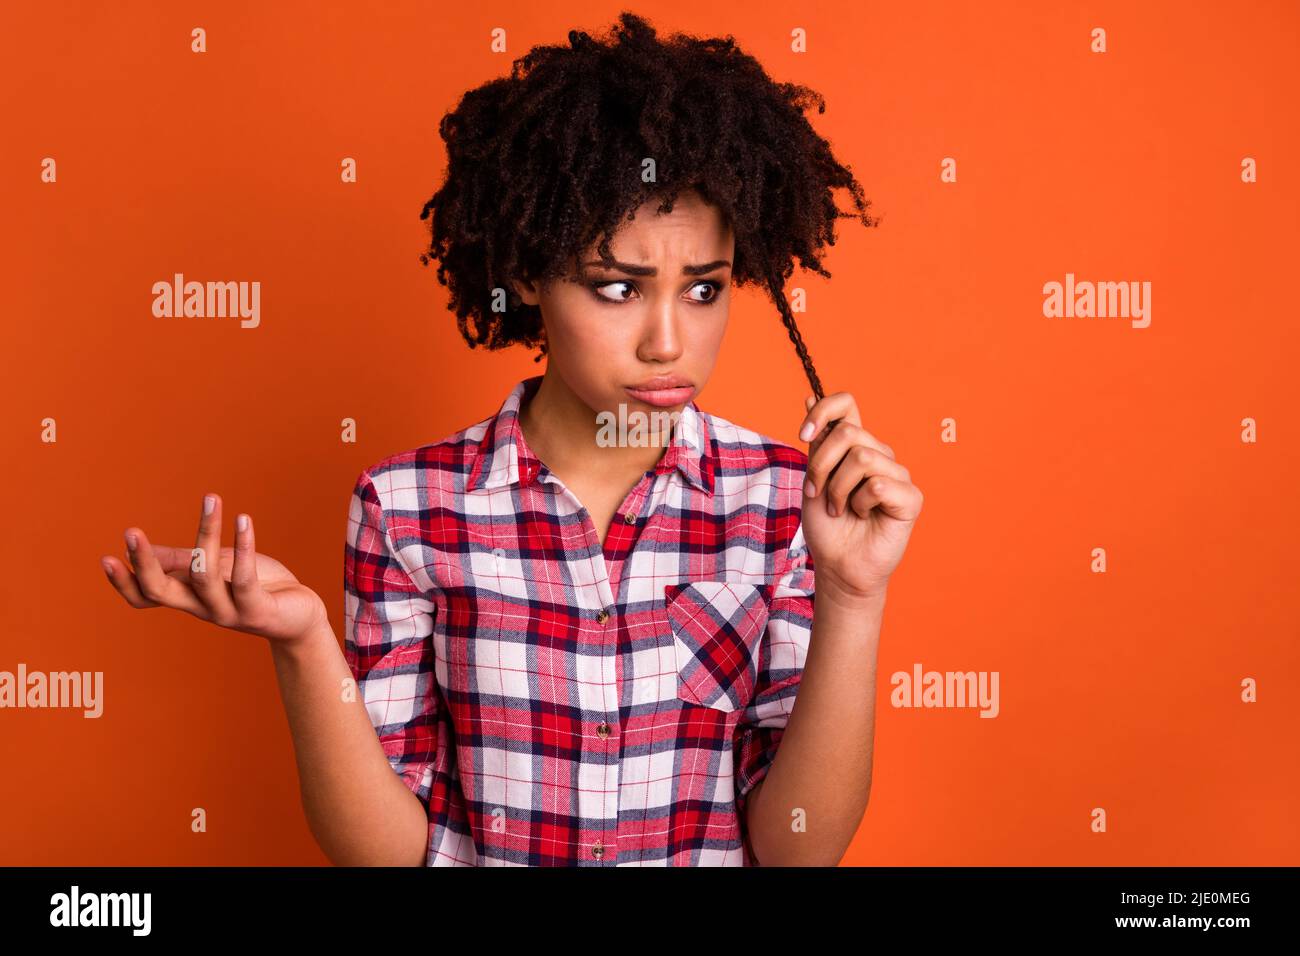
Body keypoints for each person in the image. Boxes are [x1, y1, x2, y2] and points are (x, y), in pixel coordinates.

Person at [100, 11, 922, 866]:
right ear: (527, 273)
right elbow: (383, 855)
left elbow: (800, 852)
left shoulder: (785, 501)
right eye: (617, 288)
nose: (669, 342)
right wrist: (305, 643)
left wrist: (855, 597)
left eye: (705, 290)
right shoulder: (407, 509)